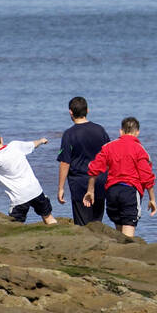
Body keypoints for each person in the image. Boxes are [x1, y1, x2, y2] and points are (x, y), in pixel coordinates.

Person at [82, 117, 155, 237]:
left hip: (112, 192)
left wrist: (90, 190)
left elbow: (93, 169)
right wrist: (152, 199)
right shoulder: (140, 150)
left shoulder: (108, 147)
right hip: (130, 192)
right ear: (137, 132)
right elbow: (147, 176)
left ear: (121, 131)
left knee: (119, 231)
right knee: (128, 235)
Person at [56, 96, 110, 226]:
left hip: (80, 184)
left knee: (83, 224)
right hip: (100, 181)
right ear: (87, 110)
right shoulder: (100, 129)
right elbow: (109, 155)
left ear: (71, 112)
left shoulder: (69, 134)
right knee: (97, 223)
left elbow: (65, 162)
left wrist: (60, 188)